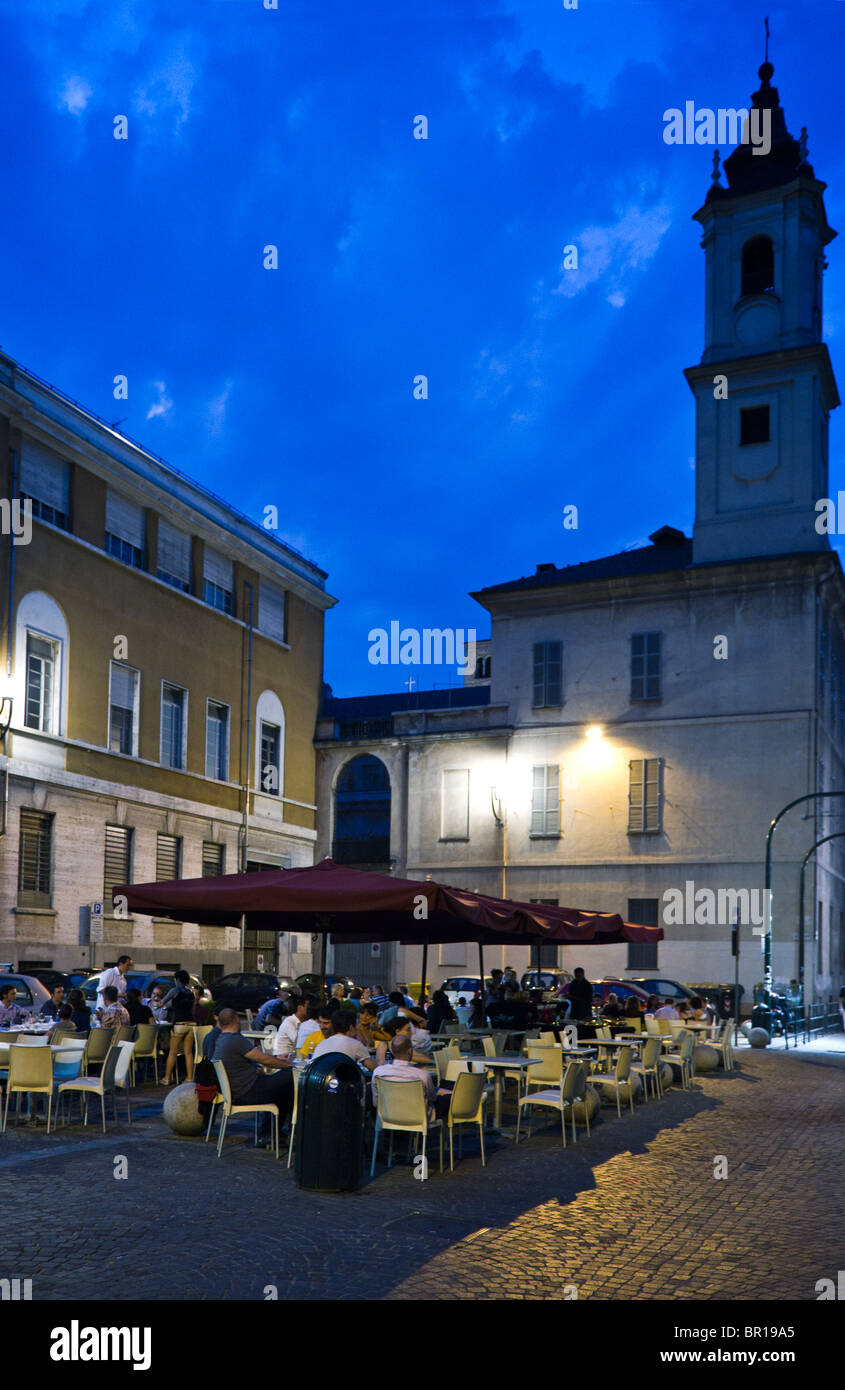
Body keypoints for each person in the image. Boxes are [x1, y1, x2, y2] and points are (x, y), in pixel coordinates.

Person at [213, 1008, 294, 1145]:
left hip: (239, 1091)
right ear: (237, 1020)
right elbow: (264, 1060)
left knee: (282, 1088)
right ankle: (277, 1132)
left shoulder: (221, 1039)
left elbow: (258, 1059)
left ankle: (271, 1133)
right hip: (248, 1091)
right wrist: (289, 1066)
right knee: (290, 1076)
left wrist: (276, 1059)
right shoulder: (236, 1040)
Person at [371, 1034, 452, 1120]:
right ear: (410, 1050)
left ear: (393, 1052)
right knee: (450, 1099)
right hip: (418, 1117)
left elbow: (376, 1102)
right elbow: (432, 1098)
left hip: (388, 1115)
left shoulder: (378, 1072)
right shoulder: (422, 1075)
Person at [160, 971, 196, 1085]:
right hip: (191, 1024)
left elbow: (161, 1003)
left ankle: (166, 1078)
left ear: (178, 979)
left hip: (179, 1024)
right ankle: (190, 1078)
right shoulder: (190, 993)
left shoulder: (175, 990)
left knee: (172, 1052)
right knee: (188, 1053)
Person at [311, 1010, 376, 1070]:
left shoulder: (322, 1043)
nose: (357, 1030)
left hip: (316, 1079)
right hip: (338, 1080)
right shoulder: (355, 1044)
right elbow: (374, 1069)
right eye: (356, 1026)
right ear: (351, 1027)